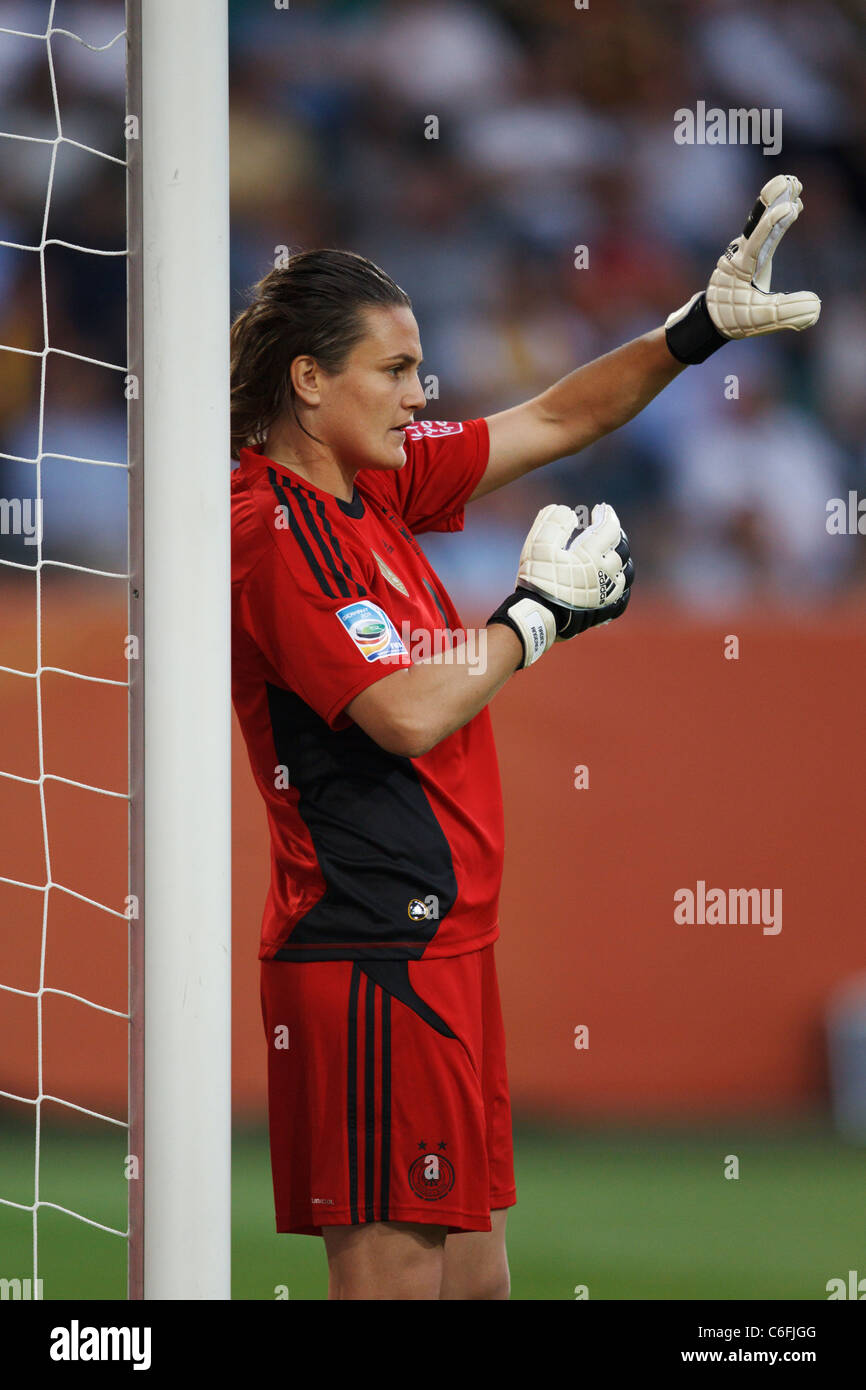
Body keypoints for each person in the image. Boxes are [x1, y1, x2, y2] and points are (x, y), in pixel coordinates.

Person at [229, 176, 819, 1300]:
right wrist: (532, 619)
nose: (417, 395)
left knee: (477, 1291)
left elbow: (559, 415)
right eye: (393, 371)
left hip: (441, 951)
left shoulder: (377, 488)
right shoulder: (270, 528)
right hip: (370, 958)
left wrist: (692, 329)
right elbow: (400, 713)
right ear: (308, 381)